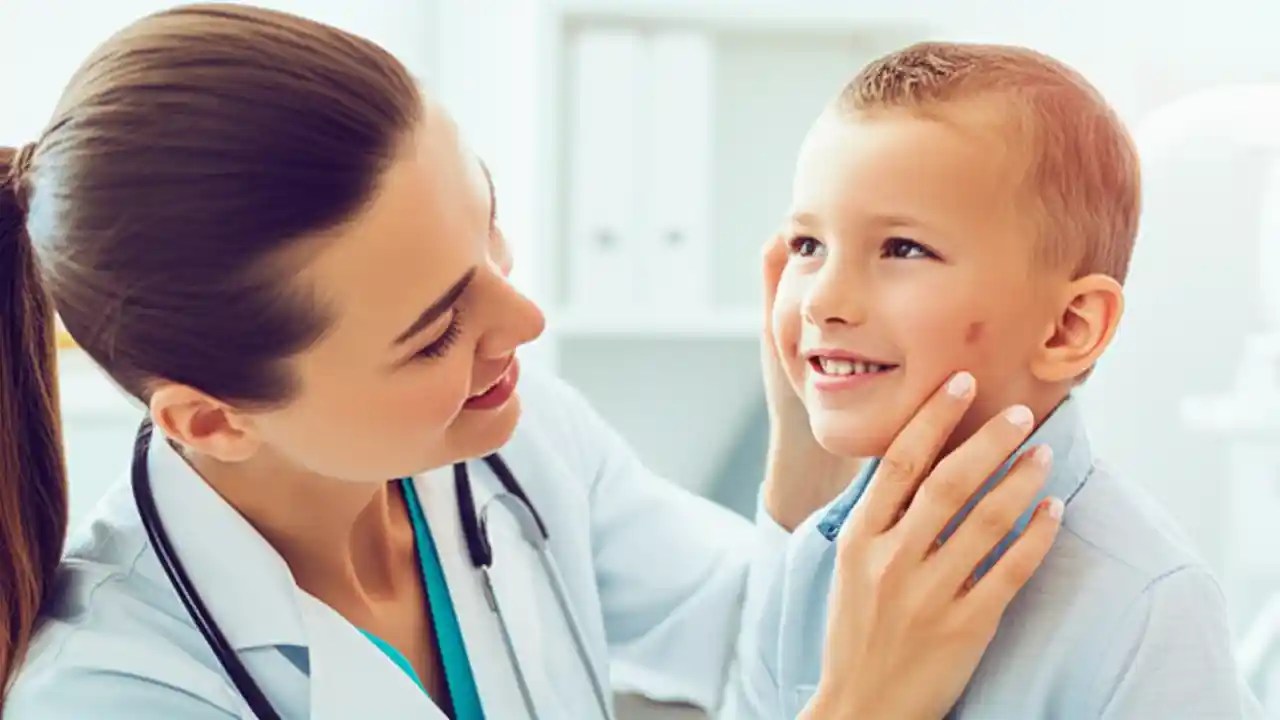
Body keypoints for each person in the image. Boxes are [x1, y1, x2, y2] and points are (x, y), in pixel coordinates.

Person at [0, 6, 1063, 718]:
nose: (522, 318)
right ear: (214, 420)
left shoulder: (517, 442)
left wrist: (803, 448)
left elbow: (758, 652)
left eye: (487, 225)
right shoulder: (114, 691)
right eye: (431, 329)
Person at [734, 41, 1264, 719]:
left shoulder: (1146, 604)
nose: (820, 299)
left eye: (903, 249)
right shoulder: (812, 553)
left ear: (1068, 328)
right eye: (809, 246)